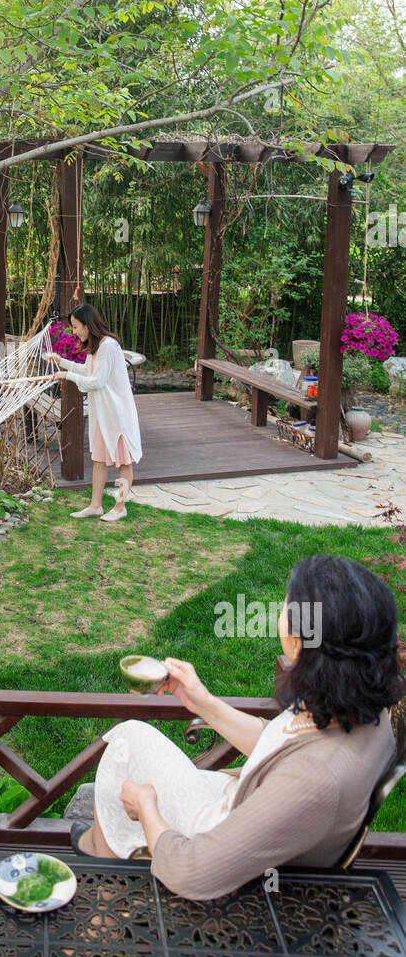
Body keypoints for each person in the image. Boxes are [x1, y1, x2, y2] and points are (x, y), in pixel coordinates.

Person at [71, 556, 404, 900]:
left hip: (241, 863)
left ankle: (102, 870)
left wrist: (146, 807)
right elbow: (278, 748)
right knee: (133, 742)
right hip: (261, 810)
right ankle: (103, 846)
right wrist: (202, 701)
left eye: (286, 606)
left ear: (299, 642)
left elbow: (193, 873)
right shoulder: (363, 700)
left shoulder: (315, 779)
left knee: (128, 741)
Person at [45, 302, 141, 522]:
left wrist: (66, 376)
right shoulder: (96, 347)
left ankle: (120, 506)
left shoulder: (109, 345)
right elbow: (88, 371)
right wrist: (62, 363)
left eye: (76, 326)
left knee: (124, 463)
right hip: (102, 413)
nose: (74, 331)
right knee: (99, 460)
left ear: (88, 324)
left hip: (117, 415)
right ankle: (95, 506)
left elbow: (96, 382)